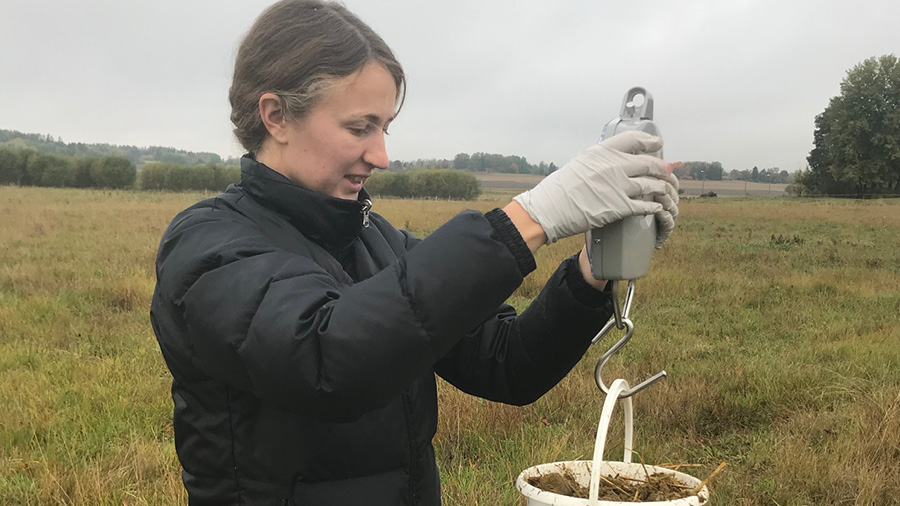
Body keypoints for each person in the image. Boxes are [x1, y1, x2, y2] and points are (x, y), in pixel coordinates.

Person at [149, 1, 679, 504]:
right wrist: (531, 217)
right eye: (360, 127)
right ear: (276, 116)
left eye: (384, 127)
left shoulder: (375, 240)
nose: (380, 154)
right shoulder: (207, 246)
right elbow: (328, 360)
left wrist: (593, 268)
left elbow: (507, 362)